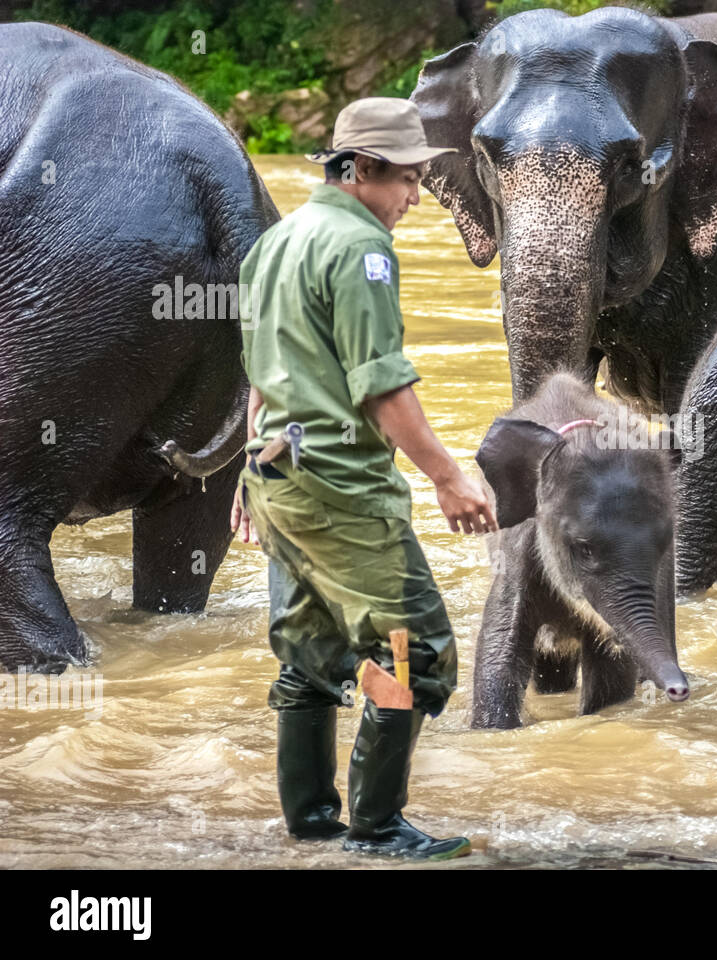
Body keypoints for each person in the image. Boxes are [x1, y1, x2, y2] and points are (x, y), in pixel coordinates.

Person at [230, 97, 497, 859]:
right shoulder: (363, 251)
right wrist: (449, 477)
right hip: (341, 491)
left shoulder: (276, 243)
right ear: (364, 170)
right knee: (417, 646)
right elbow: (383, 387)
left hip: (278, 481)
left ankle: (311, 820)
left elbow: (262, 375)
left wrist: (246, 475)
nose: (415, 199)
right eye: (409, 181)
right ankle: (377, 830)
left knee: (310, 652)